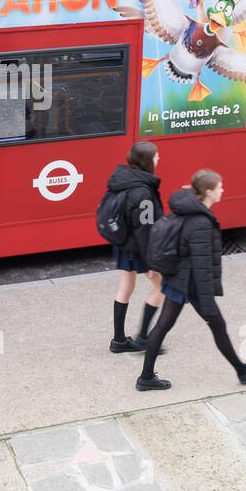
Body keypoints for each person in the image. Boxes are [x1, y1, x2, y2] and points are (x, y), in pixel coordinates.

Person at [136, 168, 246, 390]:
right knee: (216, 325)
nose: (223, 190)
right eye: (219, 187)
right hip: (190, 283)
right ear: (208, 192)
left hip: (177, 277)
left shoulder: (188, 209)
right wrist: (207, 303)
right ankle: (243, 371)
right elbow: (202, 267)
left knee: (162, 326)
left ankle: (146, 378)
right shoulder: (201, 222)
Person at [105, 141, 166, 354]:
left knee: (126, 287)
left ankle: (119, 340)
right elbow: (145, 228)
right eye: (157, 156)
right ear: (148, 161)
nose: (159, 160)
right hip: (139, 246)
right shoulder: (143, 193)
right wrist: (152, 261)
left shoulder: (122, 178)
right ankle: (143, 337)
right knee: (163, 285)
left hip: (123, 242)